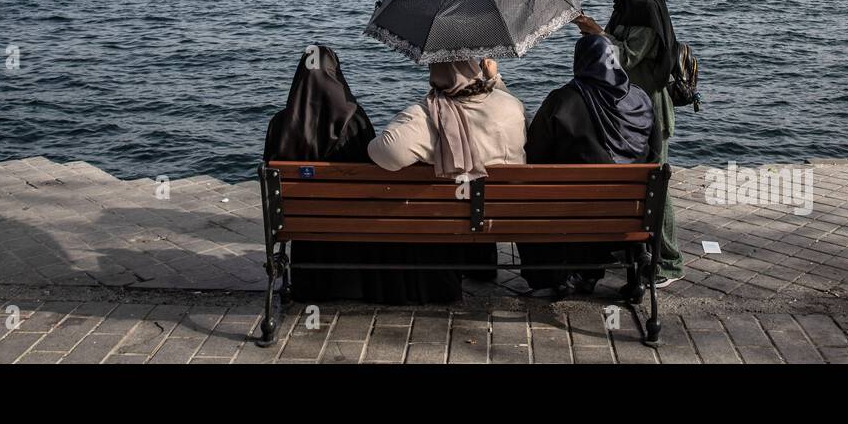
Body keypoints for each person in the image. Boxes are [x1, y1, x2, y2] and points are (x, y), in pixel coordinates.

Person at [263, 45, 459, 303]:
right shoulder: (354, 120)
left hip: (299, 223)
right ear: (336, 75)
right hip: (352, 220)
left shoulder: (280, 124)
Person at [573, 0, 684, 286]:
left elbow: (626, 57)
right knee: (640, 180)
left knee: (655, 182)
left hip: (650, 108)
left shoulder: (644, 10)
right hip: (632, 106)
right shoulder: (628, 6)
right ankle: (636, 248)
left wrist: (596, 34)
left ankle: (668, 262)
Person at [368, 58, 526, 285]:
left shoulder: (426, 114)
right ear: (475, 69)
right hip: (513, 211)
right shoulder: (511, 105)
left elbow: (384, 155)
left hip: (453, 216)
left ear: (435, 75)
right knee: (478, 197)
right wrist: (494, 80)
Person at [519, 33, 653, 293]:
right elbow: (654, 152)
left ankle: (555, 278)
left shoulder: (562, 100)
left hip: (573, 212)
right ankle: (616, 270)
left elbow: (534, 155)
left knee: (539, 198)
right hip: (631, 211)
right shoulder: (641, 99)